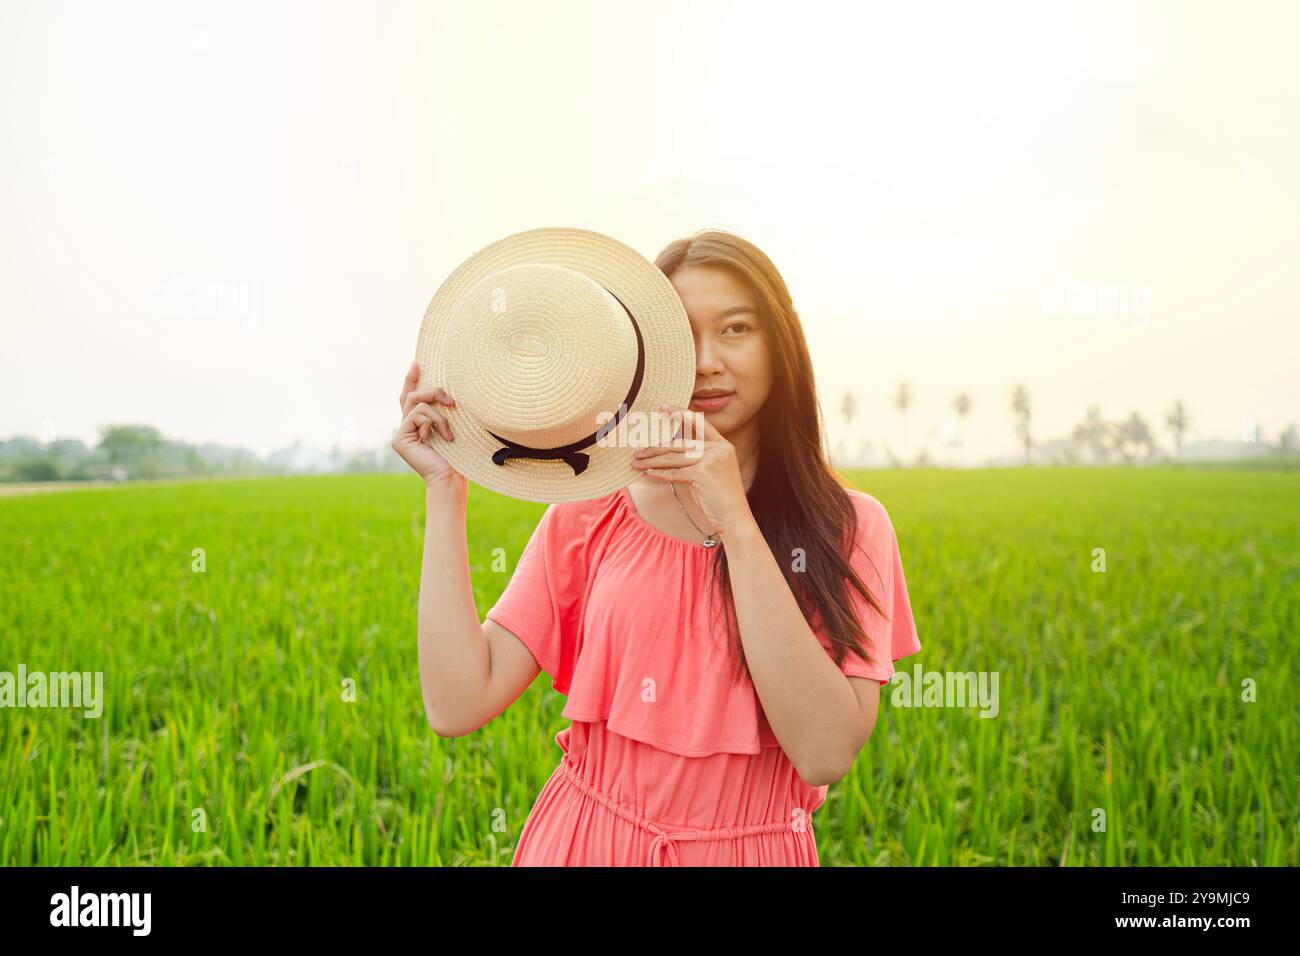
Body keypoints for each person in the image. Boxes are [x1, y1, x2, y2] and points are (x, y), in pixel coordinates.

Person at [392, 228, 922, 866]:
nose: (705, 362)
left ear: (782, 345)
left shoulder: (850, 527)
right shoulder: (594, 512)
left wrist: (737, 525)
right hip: (585, 843)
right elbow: (457, 701)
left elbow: (825, 749)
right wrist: (445, 488)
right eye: (683, 335)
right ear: (647, 352)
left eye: (736, 329)